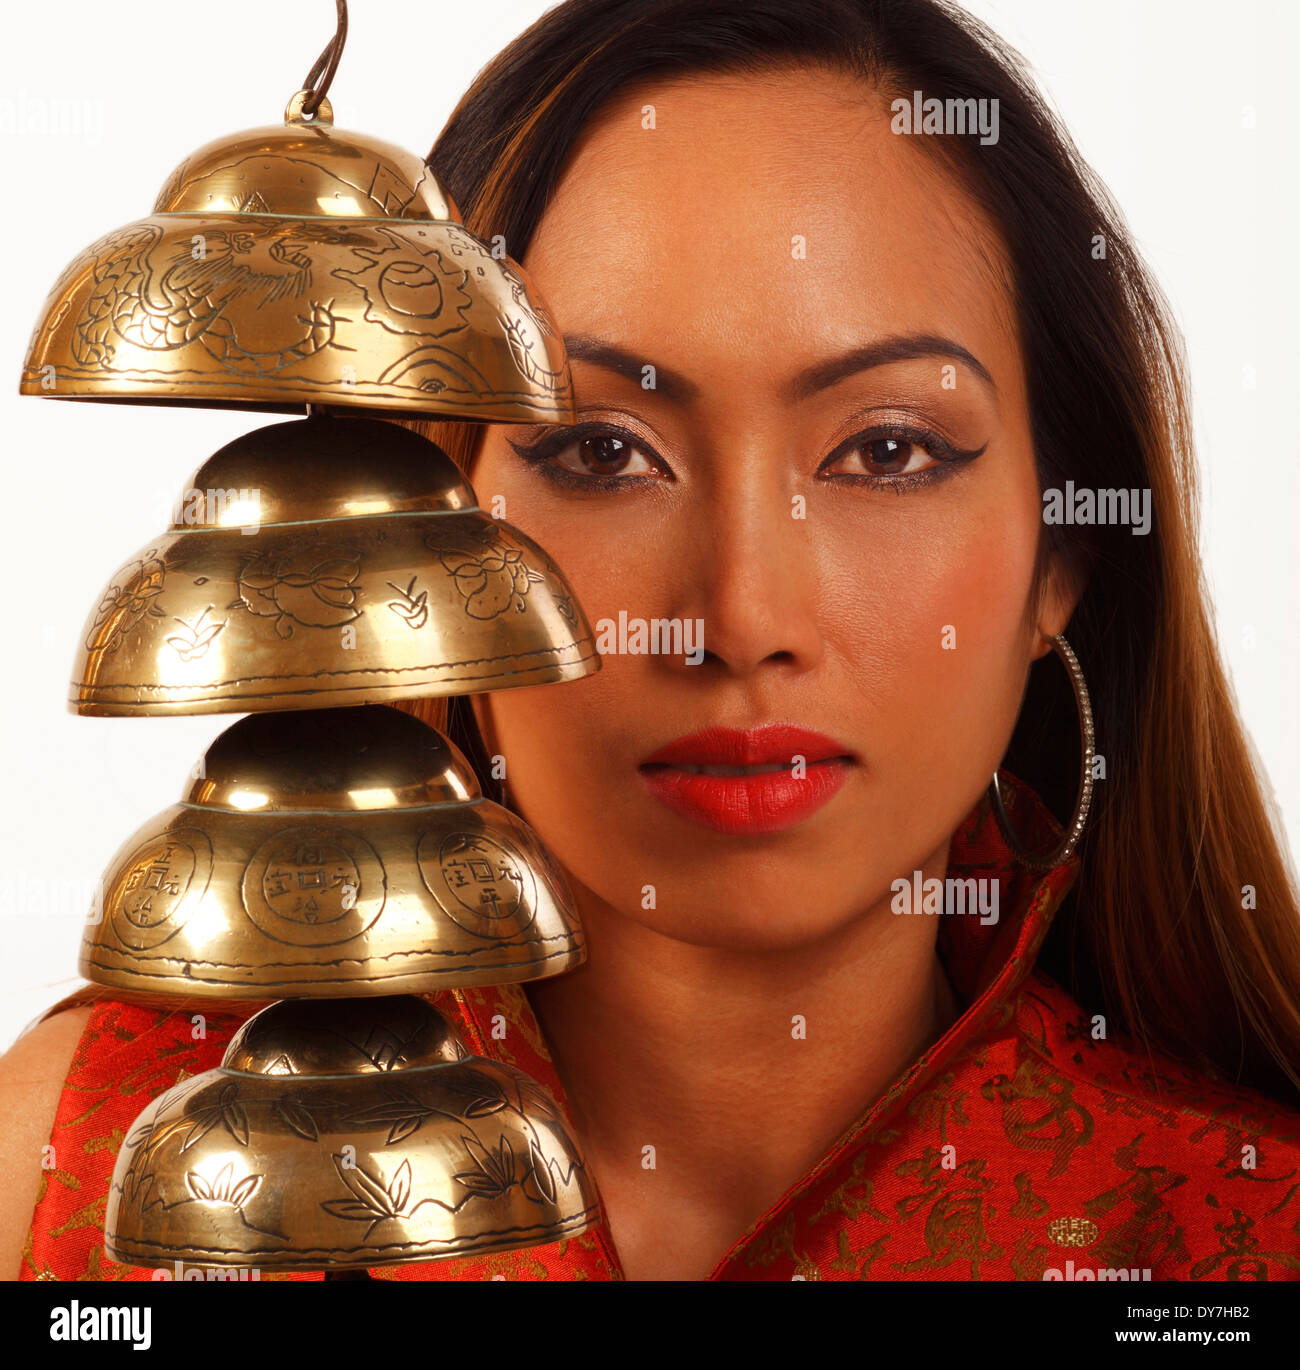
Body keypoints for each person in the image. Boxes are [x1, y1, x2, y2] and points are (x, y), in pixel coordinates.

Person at [4, 0, 1300, 1282]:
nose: (740, 617)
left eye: (887, 449)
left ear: (1059, 558)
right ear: (414, 526)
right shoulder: (71, 1164)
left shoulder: (1250, 1230)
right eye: (601, 451)